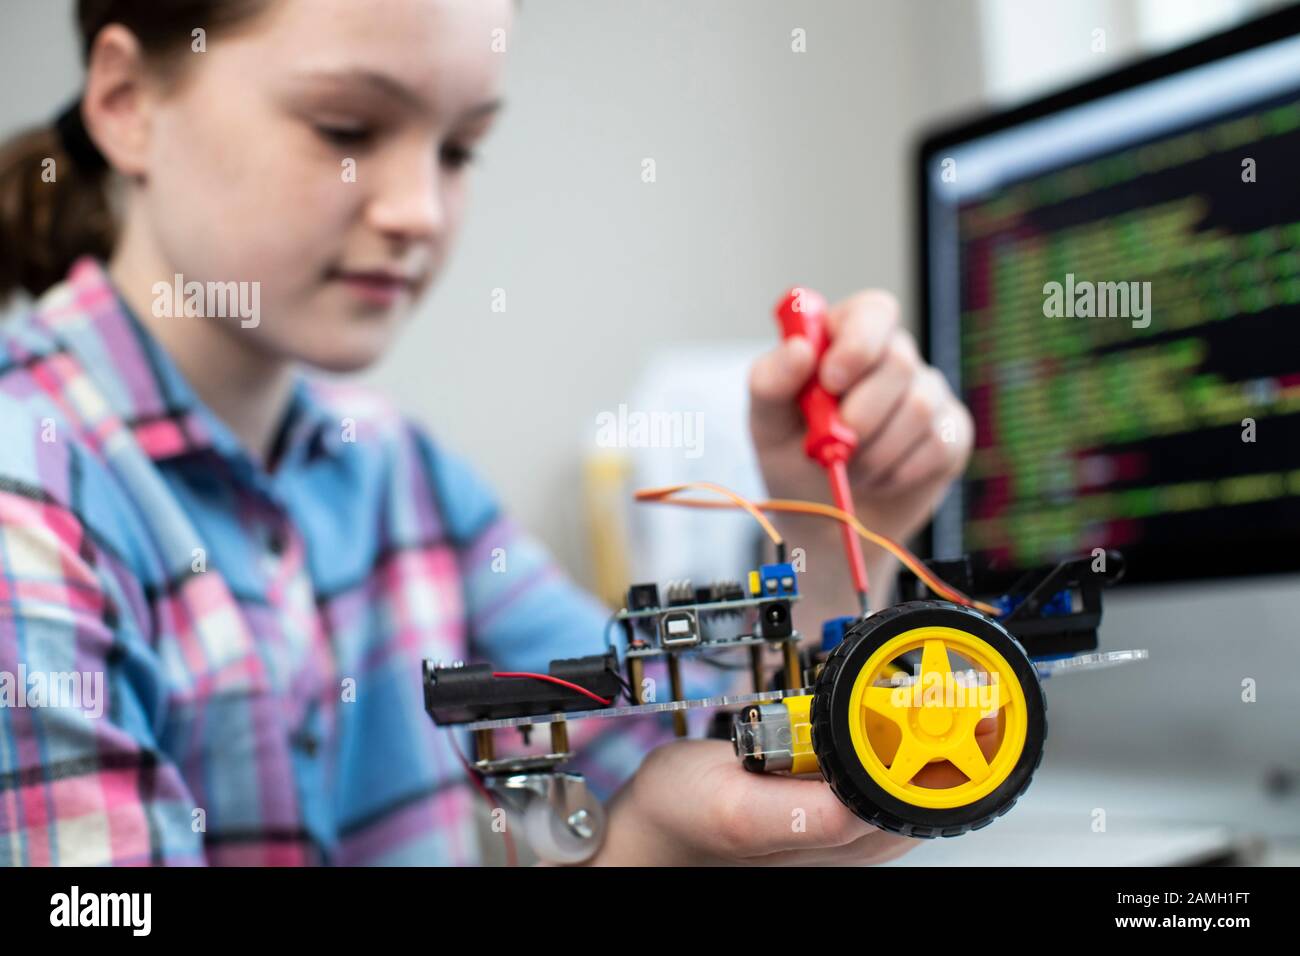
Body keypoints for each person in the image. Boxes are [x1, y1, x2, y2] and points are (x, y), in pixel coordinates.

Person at [0, 0, 973, 866]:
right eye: (345, 129)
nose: (418, 209)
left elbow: (687, 740)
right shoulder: (26, 502)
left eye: (458, 149)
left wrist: (831, 524)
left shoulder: (400, 472)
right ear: (127, 101)